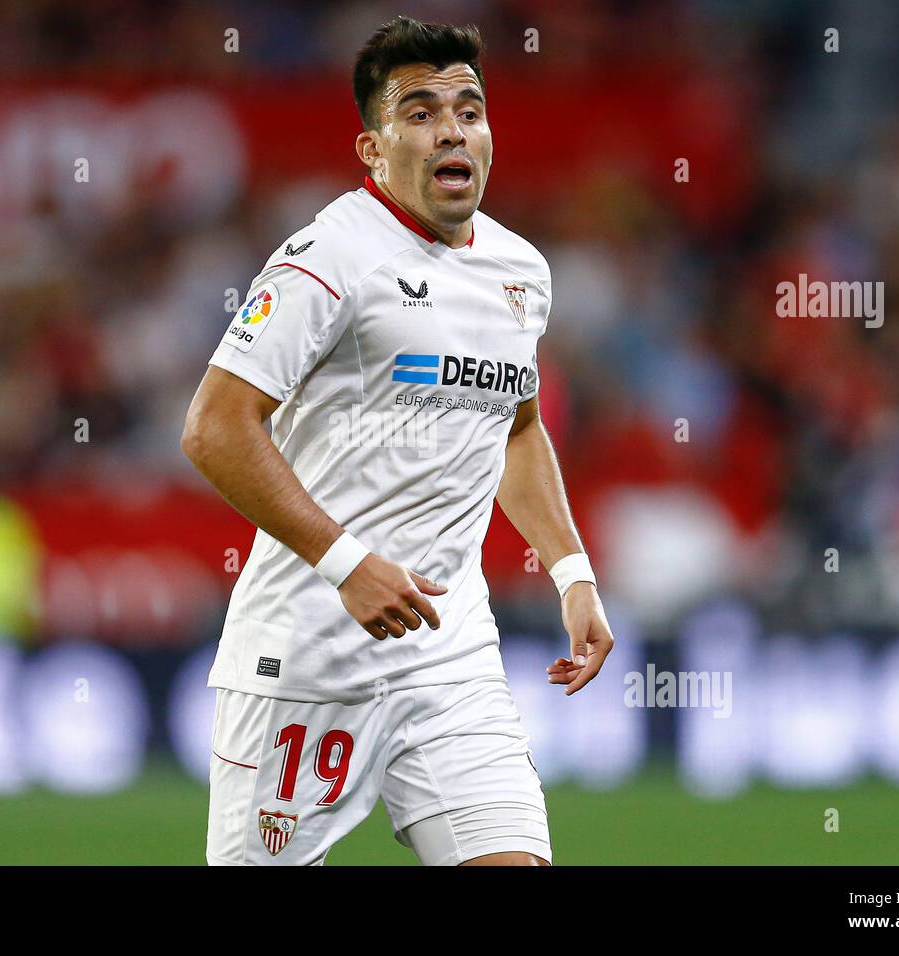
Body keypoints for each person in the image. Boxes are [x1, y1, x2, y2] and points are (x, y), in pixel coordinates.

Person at [182, 15, 616, 866]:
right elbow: (213, 428)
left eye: (468, 108)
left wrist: (571, 573)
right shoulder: (328, 258)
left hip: (449, 654)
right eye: (419, 112)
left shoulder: (521, 272)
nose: (452, 128)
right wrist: (347, 563)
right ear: (372, 149)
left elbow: (516, 423)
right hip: (306, 661)